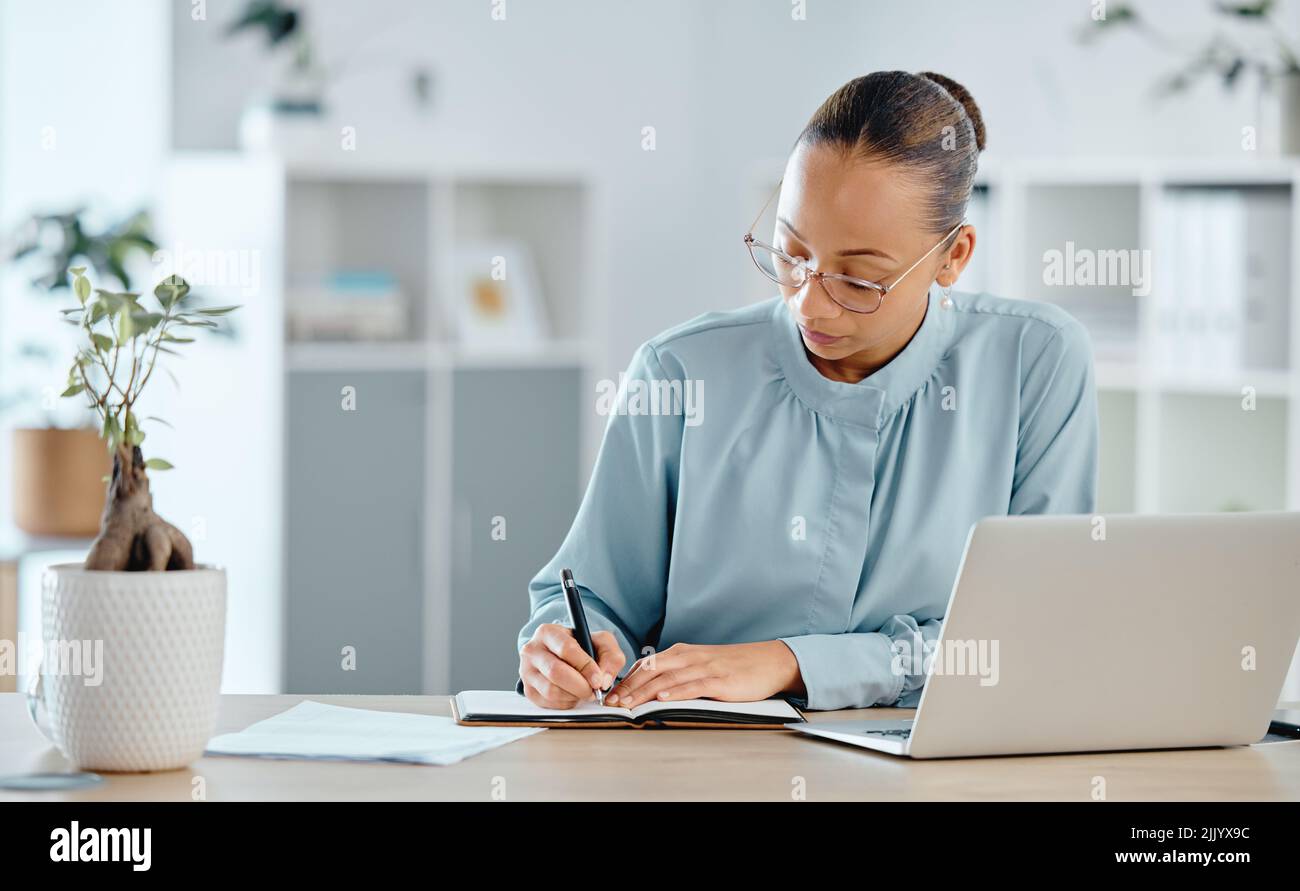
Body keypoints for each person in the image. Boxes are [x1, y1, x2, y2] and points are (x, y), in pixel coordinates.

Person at [517, 70, 1098, 712]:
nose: (809, 303)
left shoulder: (1035, 361)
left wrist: (790, 662)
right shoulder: (679, 372)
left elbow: (1034, 634)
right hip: (706, 764)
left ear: (953, 256)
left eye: (858, 280)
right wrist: (565, 655)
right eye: (791, 254)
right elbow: (594, 597)